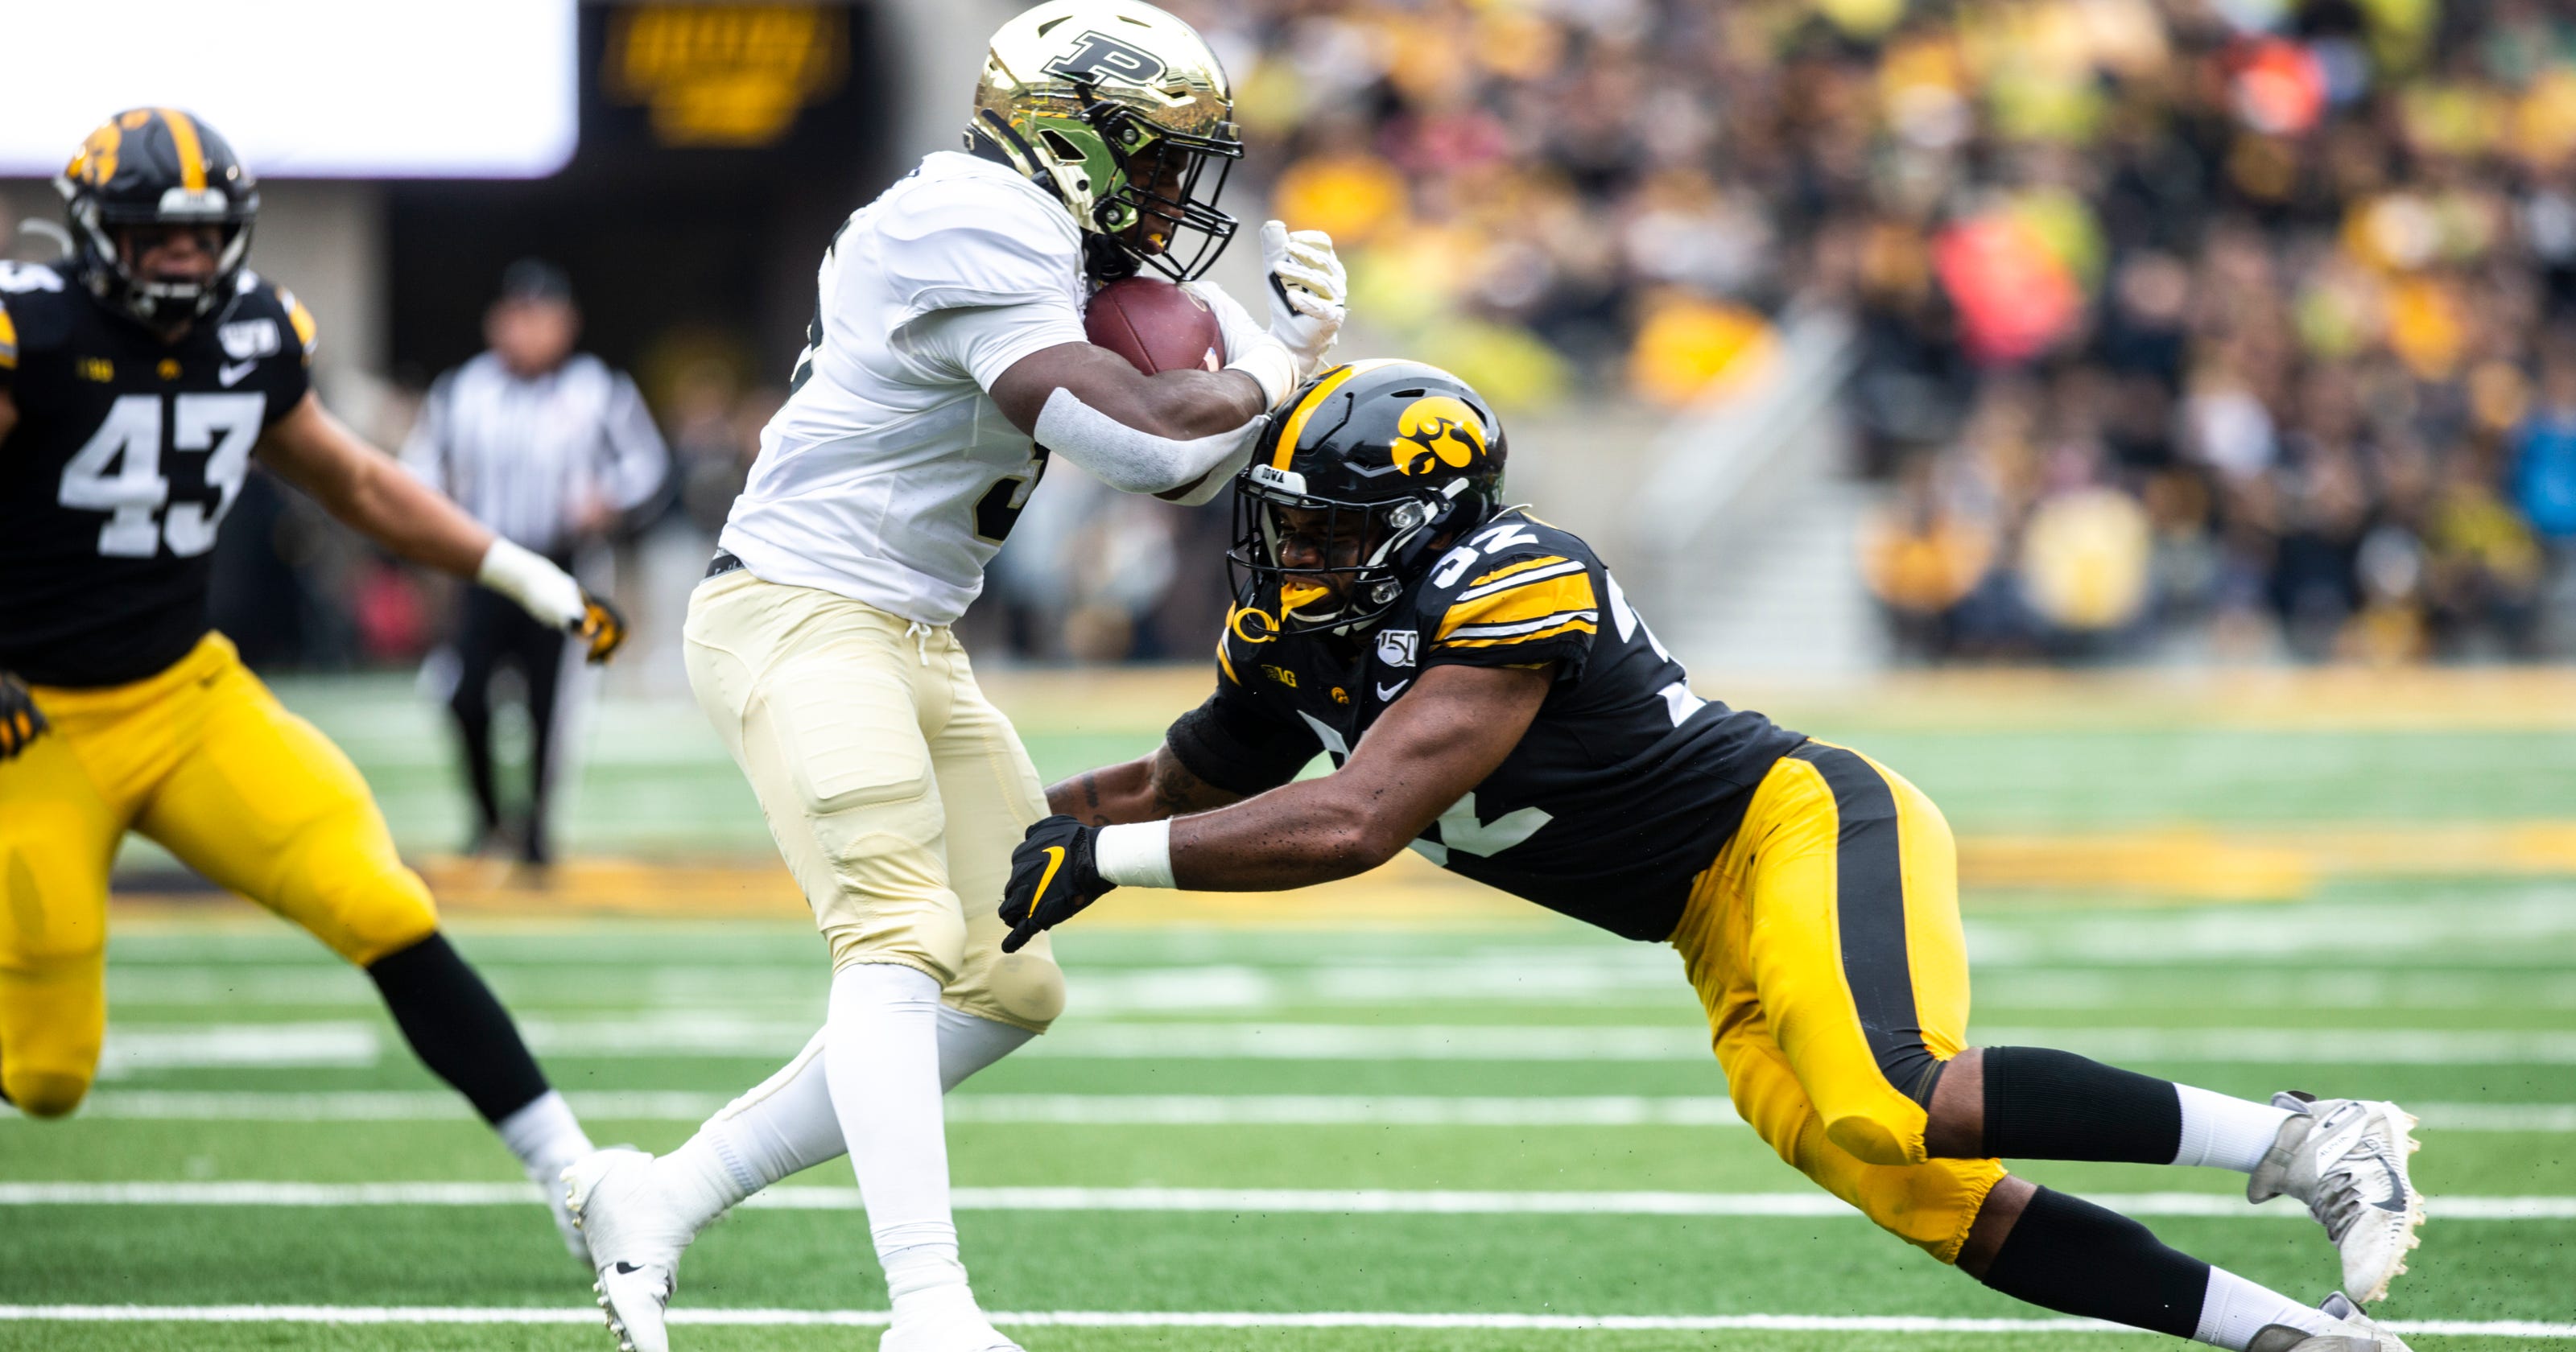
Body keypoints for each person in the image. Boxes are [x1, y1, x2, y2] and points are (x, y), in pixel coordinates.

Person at [993, 360, 2426, 1352]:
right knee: (1903, 1176)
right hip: (1700, 925)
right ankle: (2288, 1334)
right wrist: (986, 827)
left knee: (1889, 1089)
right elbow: (1165, 782)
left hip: (1794, 826)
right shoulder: (1296, 628)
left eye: (1329, 528)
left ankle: (2310, 1138)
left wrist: (1118, 863)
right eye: (1285, 520)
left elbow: (1354, 819)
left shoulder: (1514, 579)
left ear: (1421, 530)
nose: (1292, 550)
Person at [556, 4, 1348, 1350]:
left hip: (908, 629)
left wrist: (1264, 372)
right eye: (1152, 161)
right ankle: (927, 1311)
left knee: (1010, 977)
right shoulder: (968, 218)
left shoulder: (1032, 233)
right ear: (1068, 144)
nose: (1170, 193)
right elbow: (1147, 445)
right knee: (899, 939)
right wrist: (1275, 361)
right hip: (800, 614)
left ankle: (658, 1197)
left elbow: (1191, 452)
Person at [0, 109, 627, 1257]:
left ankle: (581, 1179)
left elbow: (356, 481)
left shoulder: (251, 332)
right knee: (44, 1077)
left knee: (379, 899)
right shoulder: (31, 333)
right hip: (34, 724)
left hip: (186, 697)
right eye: (156, 237)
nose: (185, 261)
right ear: (98, 237)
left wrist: (510, 564)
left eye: (204, 238)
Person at [402, 259, 670, 866]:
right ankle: (488, 817)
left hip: (562, 564)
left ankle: (537, 833)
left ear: (566, 324)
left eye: (540, 317)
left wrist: (609, 502)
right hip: (486, 563)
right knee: (464, 695)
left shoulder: (598, 389)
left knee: (553, 704)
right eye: (518, 317)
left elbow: (645, 467)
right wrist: (441, 520)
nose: (527, 331)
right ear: (497, 323)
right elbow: (418, 469)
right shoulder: (462, 389)